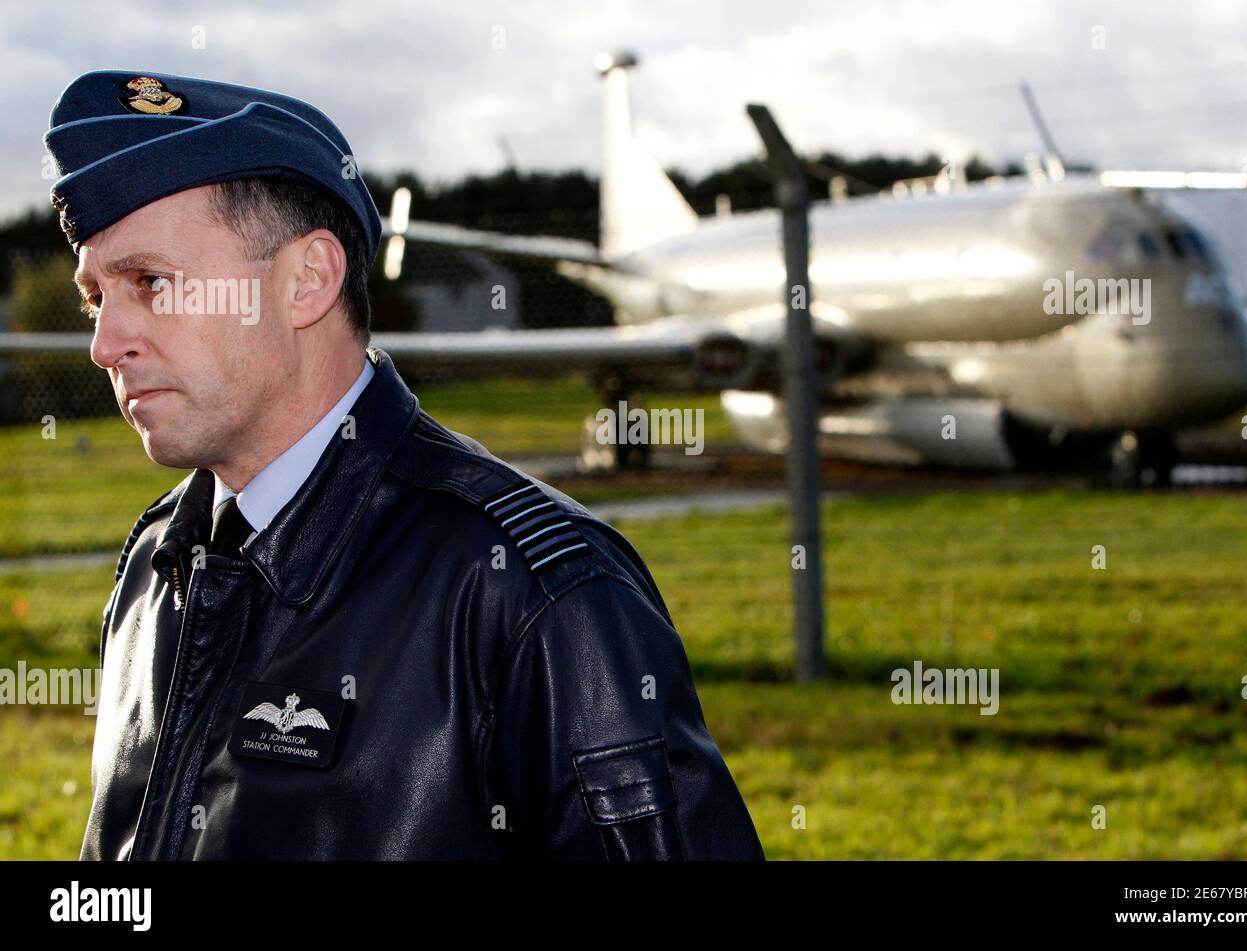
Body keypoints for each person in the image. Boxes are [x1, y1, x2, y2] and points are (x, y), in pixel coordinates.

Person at [46, 70, 764, 860]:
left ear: (307, 281)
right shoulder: (157, 564)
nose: (104, 343)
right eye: (95, 298)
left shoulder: (533, 593)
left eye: (150, 283)